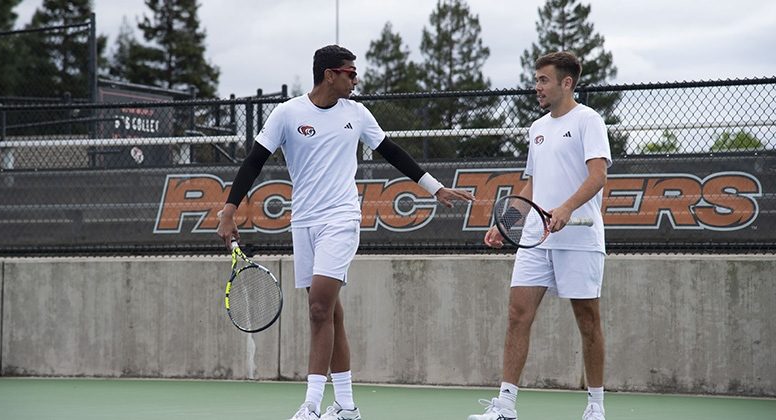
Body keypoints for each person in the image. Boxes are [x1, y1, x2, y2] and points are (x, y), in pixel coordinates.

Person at [217, 45, 474, 420]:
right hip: (303, 223)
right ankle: (347, 405)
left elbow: (392, 151)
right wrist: (229, 211)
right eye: (350, 73)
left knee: (319, 308)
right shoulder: (287, 114)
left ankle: (310, 405)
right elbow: (254, 161)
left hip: (341, 219)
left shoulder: (357, 113)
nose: (356, 79)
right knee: (330, 314)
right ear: (329, 75)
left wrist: (435, 188)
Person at [467, 51, 612, 420]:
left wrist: (566, 208)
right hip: (537, 238)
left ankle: (595, 406)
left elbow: (598, 176)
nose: (537, 87)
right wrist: (506, 223)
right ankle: (505, 406)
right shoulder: (536, 128)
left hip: (579, 237)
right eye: (536, 80)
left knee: (588, 321)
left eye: (544, 80)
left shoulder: (589, 120)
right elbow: (533, 184)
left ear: (567, 83)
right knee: (517, 314)